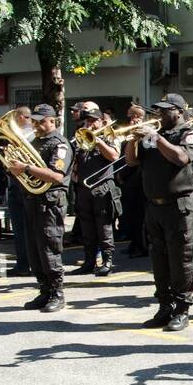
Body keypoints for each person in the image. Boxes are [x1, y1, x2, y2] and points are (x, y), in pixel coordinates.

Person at [125, 93, 193, 331]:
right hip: (154, 205)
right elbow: (131, 161)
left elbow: (181, 158)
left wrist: (155, 138)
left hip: (180, 204)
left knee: (181, 259)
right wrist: (132, 139)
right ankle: (164, 307)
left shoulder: (190, 133)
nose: (159, 114)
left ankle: (182, 309)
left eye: (166, 110)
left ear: (179, 111)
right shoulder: (154, 135)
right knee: (159, 259)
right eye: (158, 110)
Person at [10, 104, 71, 313]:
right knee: (34, 249)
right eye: (34, 121)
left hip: (50, 202)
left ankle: (57, 293)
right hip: (32, 199)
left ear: (52, 121)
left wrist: (26, 167)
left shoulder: (60, 144)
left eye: (40, 121)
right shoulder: (34, 141)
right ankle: (44, 290)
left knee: (49, 248)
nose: (35, 124)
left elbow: (56, 176)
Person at [71, 100, 122, 277]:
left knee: (104, 226)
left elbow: (114, 156)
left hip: (102, 187)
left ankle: (107, 261)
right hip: (84, 188)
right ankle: (89, 261)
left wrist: (98, 141)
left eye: (93, 121)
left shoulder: (110, 137)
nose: (90, 124)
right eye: (87, 121)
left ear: (101, 122)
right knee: (87, 227)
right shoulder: (81, 138)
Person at [4, 105, 35, 276]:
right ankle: (22, 263)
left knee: (27, 228)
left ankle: (28, 263)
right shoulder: (16, 135)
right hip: (15, 185)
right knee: (19, 229)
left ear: (22, 117)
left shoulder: (32, 134)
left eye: (15, 116)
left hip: (27, 187)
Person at [119, 103, 150, 259]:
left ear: (138, 117)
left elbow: (137, 158)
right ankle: (134, 243)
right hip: (128, 179)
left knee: (139, 216)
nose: (129, 119)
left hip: (138, 179)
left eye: (131, 116)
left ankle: (142, 246)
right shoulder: (131, 132)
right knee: (130, 215)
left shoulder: (143, 132)